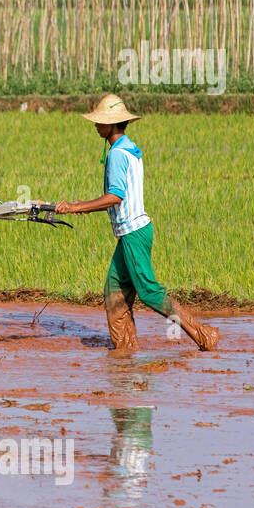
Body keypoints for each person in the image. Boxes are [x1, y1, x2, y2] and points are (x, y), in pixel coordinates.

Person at [53, 94, 219, 353]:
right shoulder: (129, 147)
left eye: (100, 122)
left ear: (112, 124)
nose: (95, 125)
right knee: (114, 290)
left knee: (149, 292)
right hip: (132, 233)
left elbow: (115, 196)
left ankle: (203, 334)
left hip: (133, 233)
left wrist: (77, 206)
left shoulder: (118, 154)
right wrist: (82, 207)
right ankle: (126, 349)